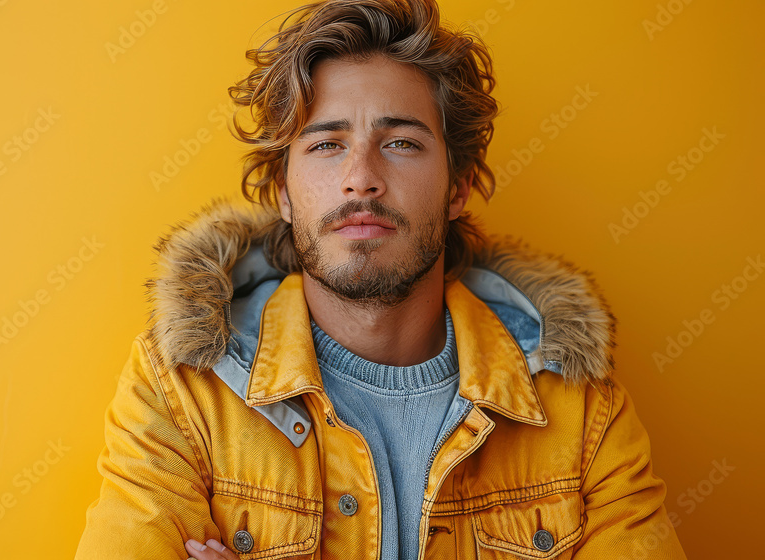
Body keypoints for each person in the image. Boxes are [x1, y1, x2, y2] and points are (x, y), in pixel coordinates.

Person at [75, 0, 687, 558]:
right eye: (326, 144)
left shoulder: (579, 408)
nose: (361, 178)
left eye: (400, 142)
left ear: (458, 187)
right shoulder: (186, 391)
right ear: (283, 191)